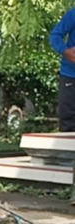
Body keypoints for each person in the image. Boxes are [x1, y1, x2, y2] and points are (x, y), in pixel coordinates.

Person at [50, 7, 75, 203]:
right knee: (68, 126)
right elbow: (55, 35)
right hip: (70, 77)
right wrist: (65, 51)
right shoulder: (74, 14)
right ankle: (68, 184)